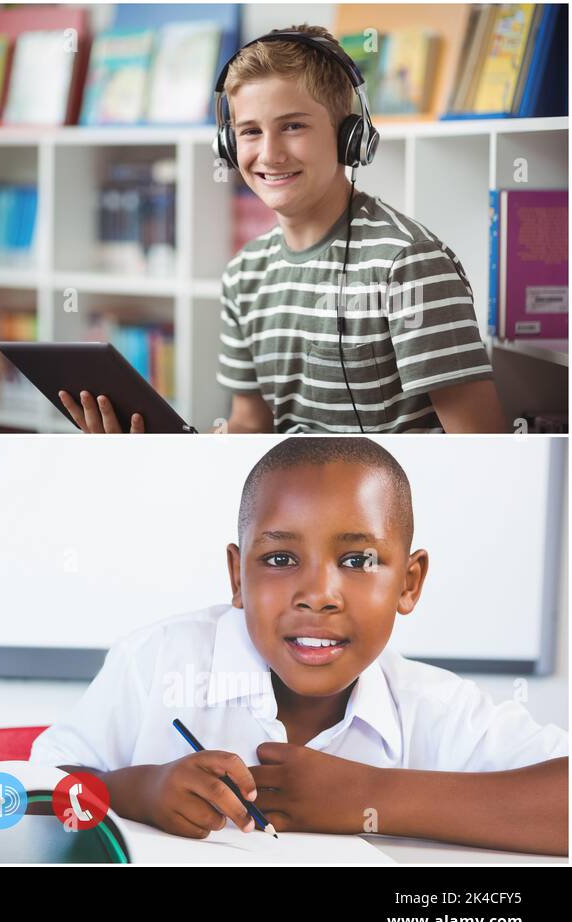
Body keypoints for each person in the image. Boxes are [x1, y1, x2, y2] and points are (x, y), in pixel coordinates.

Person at [31, 438, 567, 854]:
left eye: (357, 561)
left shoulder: (436, 709)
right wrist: (137, 792)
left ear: (409, 583)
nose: (317, 596)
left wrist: (368, 797)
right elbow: (31, 795)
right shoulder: (156, 663)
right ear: (237, 577)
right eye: (281, 559)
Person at [65, 25, 506, 434]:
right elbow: (250, 425)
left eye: (293, 126)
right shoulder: (245, 274)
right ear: (228, 143)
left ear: (348, 135)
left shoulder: (406, 263)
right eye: (250, 131)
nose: (270, 154)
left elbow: (482, 450)